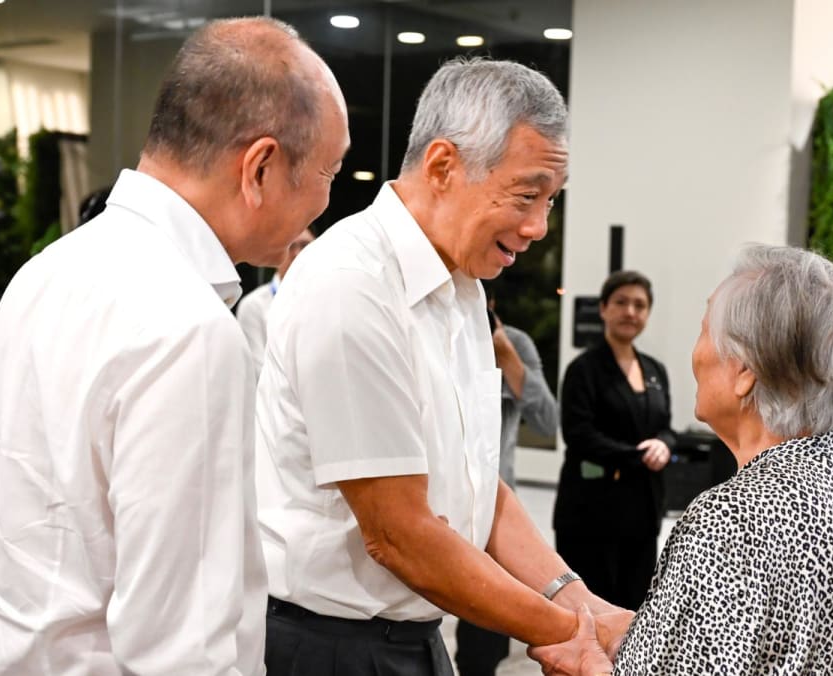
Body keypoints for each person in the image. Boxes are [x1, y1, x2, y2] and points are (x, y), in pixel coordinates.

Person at [0, 17, 349, 675]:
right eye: (328, 172)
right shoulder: (187, 326)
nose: (325, 202)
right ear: (260, 166)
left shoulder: (49, 269)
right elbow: (182, 648)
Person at [254, 57, 628, 676]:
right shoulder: (353, 286)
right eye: (526, 195)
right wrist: (570, 633)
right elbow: (399, 534)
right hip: (329, 647)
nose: (538, 227)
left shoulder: (463, 286)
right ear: (443, 166)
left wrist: (583, 604)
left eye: (551, 201)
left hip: (413, 634)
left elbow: (478, 487)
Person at [533, 245, 833, 675]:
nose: (696, 354)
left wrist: (588, 665)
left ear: (745, 373)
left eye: (703, 331)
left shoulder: (732, 519)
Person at [551, 270, 675, 611]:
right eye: (621, 303)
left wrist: (665, 444)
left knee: (634, 612)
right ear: (603, 309)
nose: (630, 312)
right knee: (592, 612)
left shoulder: (655, 370)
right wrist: (639, 455)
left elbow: (665, 426)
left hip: (642, 511)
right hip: (592, 513)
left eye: (640, 305)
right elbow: (579, 435)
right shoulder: (584, 369)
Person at [455, 303, 559, 676]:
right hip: (434, 508)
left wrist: (503, 352)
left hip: (492, 512)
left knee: (484, 644)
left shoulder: (514, 343)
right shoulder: (431, 336)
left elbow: (547, 421)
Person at [236, 227, 315, 379]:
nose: (297, 253)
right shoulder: (253, 306)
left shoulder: (325, 298)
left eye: (305, 245)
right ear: (278, 252)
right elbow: (258, 372)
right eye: (291, 246)